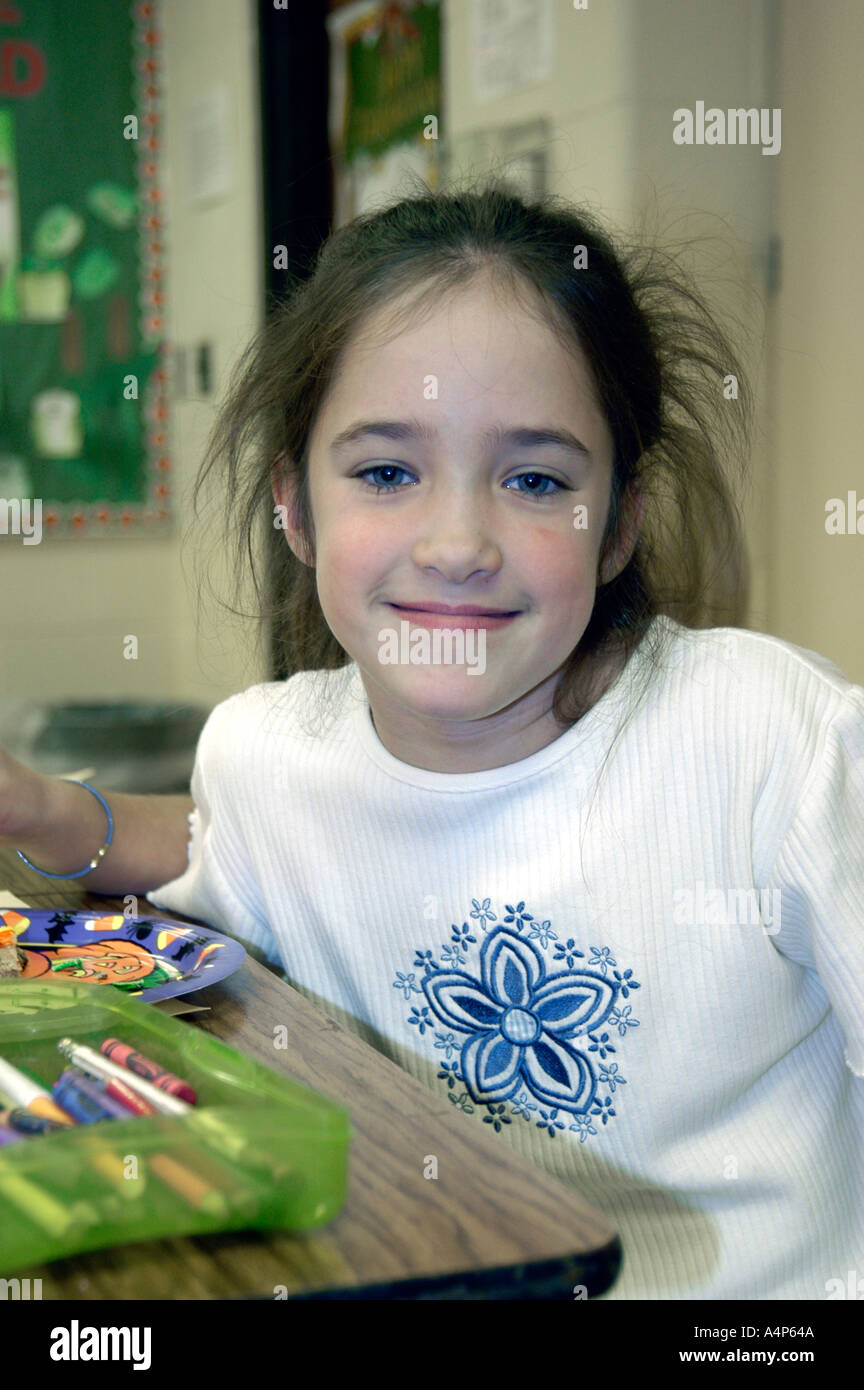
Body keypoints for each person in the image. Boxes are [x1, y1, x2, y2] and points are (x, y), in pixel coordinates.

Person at [3, 182, 862, 1300]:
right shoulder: (267, 756)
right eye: (387, 472)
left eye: (537, 478)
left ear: (619, 526)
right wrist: (44, 811)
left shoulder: (776, 745)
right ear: (296, 511)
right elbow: (229, 836)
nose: (458, 542)